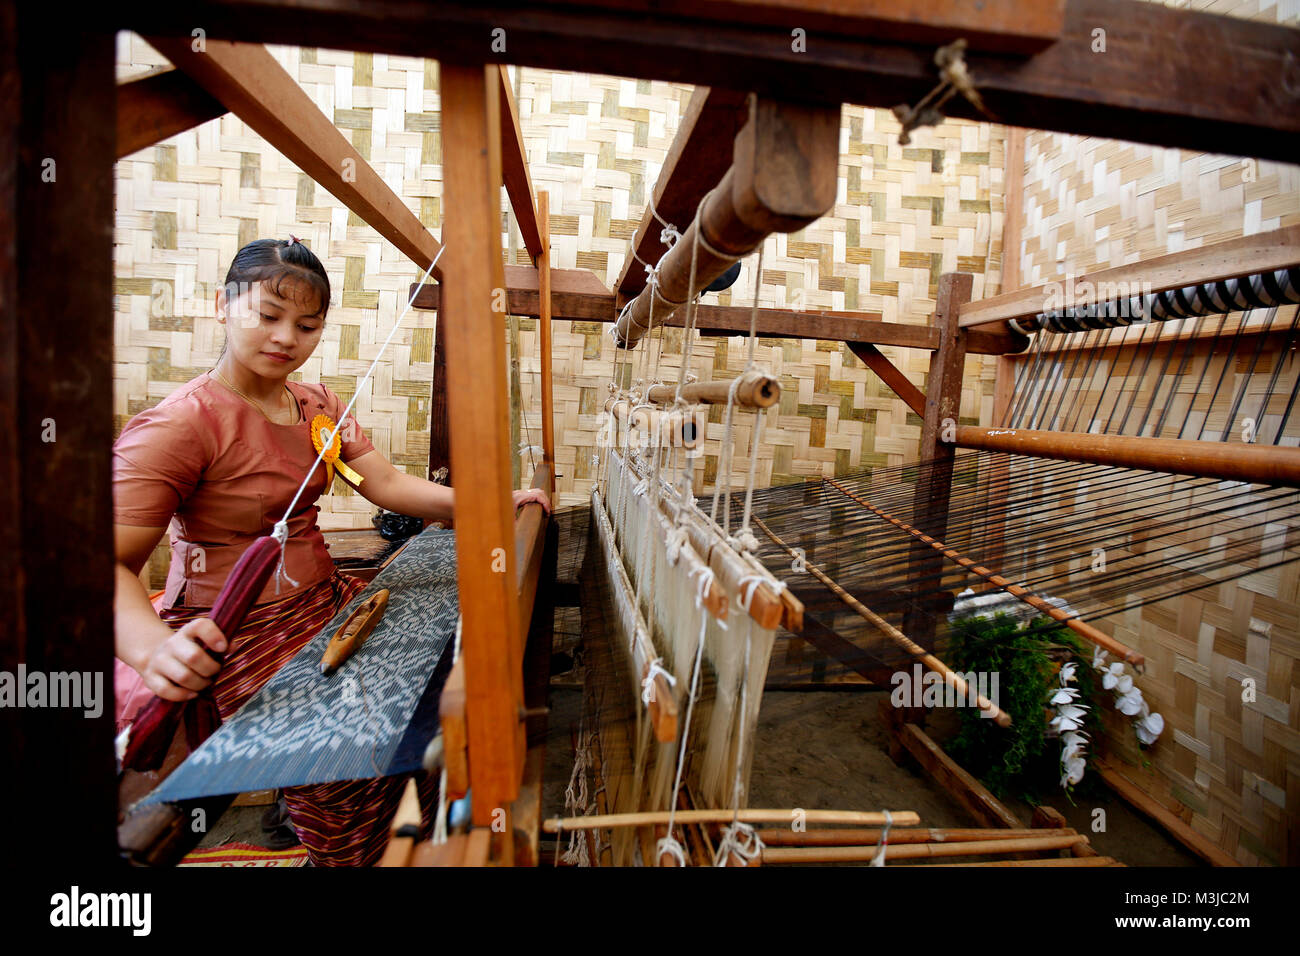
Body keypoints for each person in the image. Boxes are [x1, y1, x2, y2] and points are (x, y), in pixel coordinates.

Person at [113, 237, 549, 865]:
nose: (287, 337)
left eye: (307, 325)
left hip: (326, 604)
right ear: (222, 306)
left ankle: (410, 838)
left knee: (434, 693)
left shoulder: (316, 405)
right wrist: (156, 652)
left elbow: (388, 485)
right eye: (267, 316)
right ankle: (349, 849)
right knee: (348, 762)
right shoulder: (183, 424)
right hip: (239, 629)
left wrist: (494, 501)